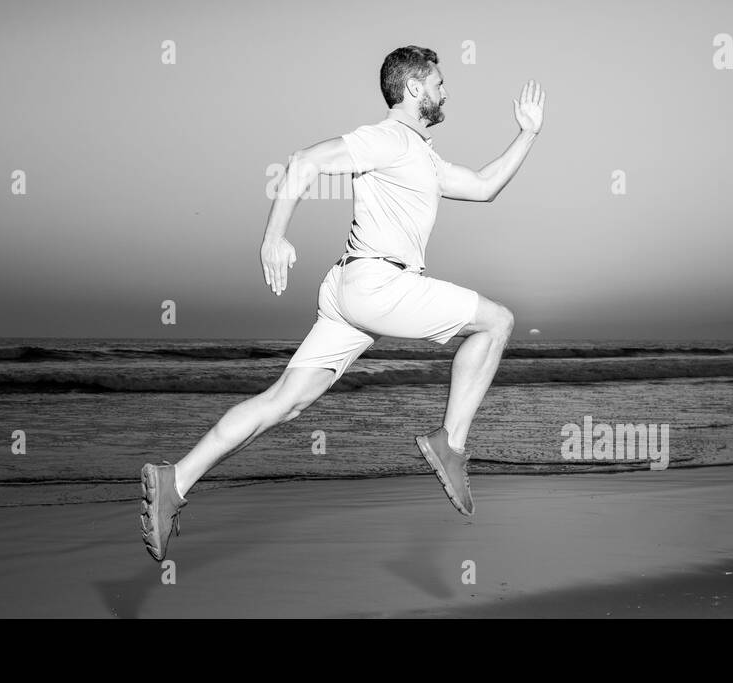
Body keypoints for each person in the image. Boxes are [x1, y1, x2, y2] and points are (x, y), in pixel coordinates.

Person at [140, 45, 546, 561]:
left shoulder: (422, 156)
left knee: (285, 401)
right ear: (414, 88)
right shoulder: (387, 138)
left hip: (351, 290)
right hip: (377, 282)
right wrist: (273, 236)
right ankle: (451, 444)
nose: (446, 91)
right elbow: (306, 160)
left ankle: (176, 480)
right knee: (498, 322)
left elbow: (486, 186)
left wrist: (528, 133)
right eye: (439, 83)